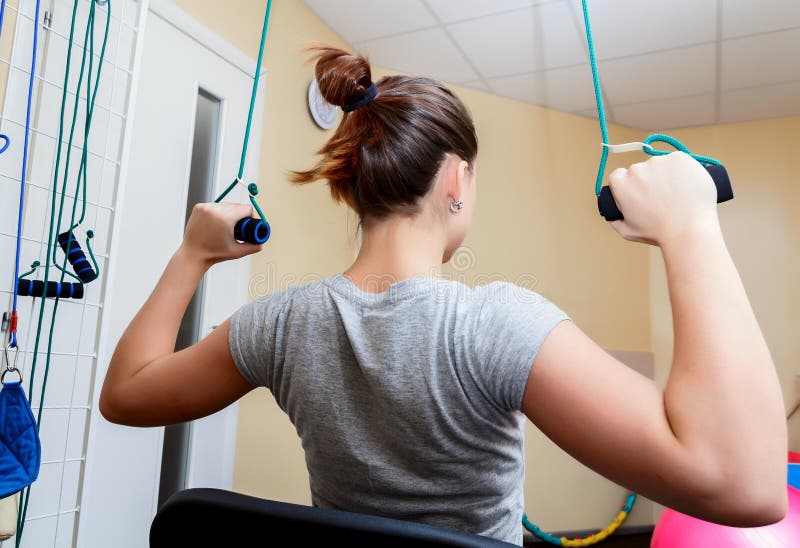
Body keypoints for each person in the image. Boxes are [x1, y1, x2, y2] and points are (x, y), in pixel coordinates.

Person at [100, 45, 788, 545]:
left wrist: (193, 254)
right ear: (456, 181)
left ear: (352, 186)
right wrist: (692, 228)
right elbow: (747, 488)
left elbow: (125, 395)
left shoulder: (282, 322)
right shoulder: (494, 325)